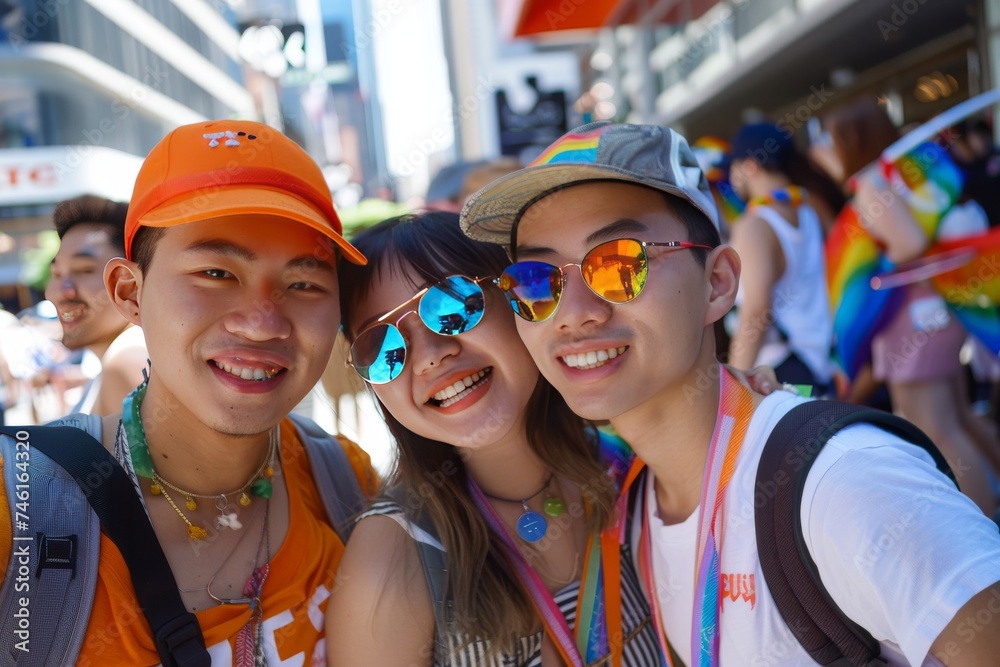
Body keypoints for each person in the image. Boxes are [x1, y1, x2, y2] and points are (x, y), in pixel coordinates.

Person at [461, 121, 1000, 666]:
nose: (573, 314)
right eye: (535, 280)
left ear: (717, 282)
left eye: (620, 263)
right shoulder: (636, 504)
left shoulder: (843, 482)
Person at [0, 120, 378, 664]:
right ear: (129, 292)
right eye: (216, 273)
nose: (262, 323)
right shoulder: (18, 506)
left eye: (303, 284)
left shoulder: (344, 481)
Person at [326, 211, 662, 666]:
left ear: (519, 297)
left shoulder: (631, 466)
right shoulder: (392, 556)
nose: (430, 356)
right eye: (379, 345)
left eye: (453, 303)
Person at [826, 99, 999, 517]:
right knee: (958, 418)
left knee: (938, 429)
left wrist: (876, 272)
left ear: (851, 141)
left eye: (832, 141)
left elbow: (909, 243)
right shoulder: (906, 172)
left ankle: (984, 529)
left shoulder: (872, 183)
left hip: (912, 320)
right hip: (936, 312)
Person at [726, 123, 838, 394]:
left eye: (733, 166)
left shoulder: (754, 226)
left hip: (784, 376)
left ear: (750, 166)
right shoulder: (813, 207)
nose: (730, 176)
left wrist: (732, 390)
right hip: (829, 364)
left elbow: (756, 314)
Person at [44, 194, 149, 415]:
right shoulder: (120, 357)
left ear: (130, 283)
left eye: (84, 270)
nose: (60, 291)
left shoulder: (127, 358)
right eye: (56, 273)